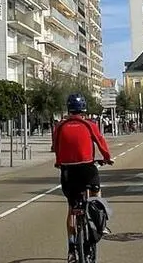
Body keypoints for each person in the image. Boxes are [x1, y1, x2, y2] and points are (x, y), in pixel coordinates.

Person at [52, 93, 113, 263]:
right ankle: (99, 223)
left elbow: (56, 147)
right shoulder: (89, 124)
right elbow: (100, 142)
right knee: (96, 192)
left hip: (67, 171)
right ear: (84, 109)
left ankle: (71, 248)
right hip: (87, 167)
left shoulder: (60, 126)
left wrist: (59, 162)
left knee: (72, 209)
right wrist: (107, 157)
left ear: (69, 108)